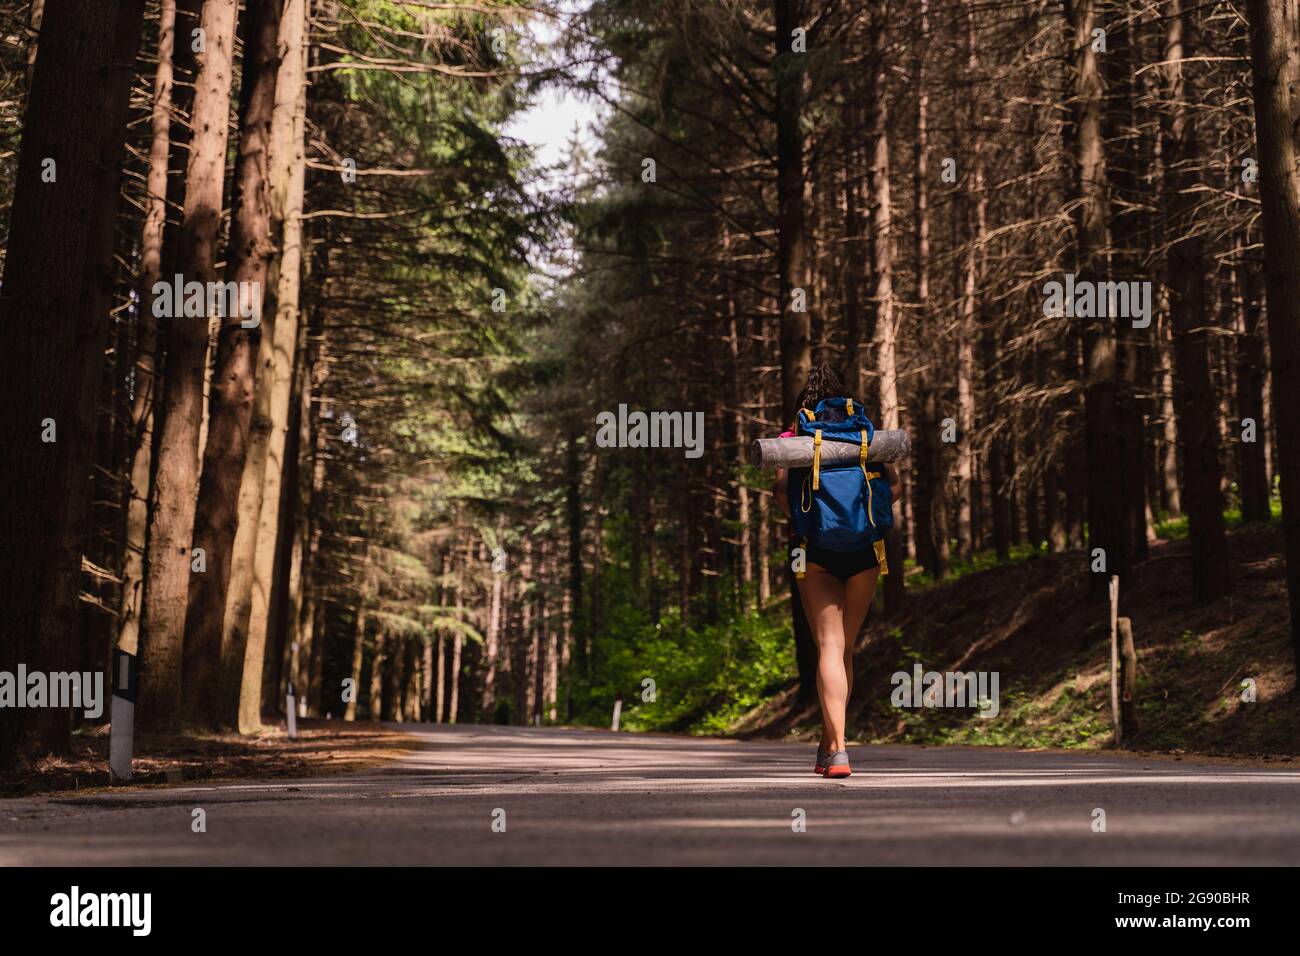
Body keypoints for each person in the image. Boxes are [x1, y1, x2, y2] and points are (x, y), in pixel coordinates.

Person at [772, 364, 899, 779]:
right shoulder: (862, 433)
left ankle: (839, 749)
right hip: (866, 551)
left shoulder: (794, 437)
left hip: (816, 552)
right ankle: (830, 746)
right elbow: (889, 483)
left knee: (827, 647)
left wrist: (803, 522)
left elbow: (779, 492)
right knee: (846, 649)